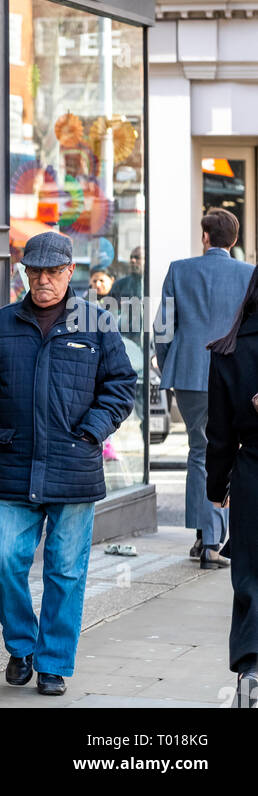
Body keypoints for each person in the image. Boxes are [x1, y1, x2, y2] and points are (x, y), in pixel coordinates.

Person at [0, 230, 136, 696]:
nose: (43, 281)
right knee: (6, 559)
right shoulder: (2, 324)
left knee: (65, 570)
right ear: (25, 273)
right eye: (35, 272)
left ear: (70, 272)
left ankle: (53, 662)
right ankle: (21, 645)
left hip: (74, 467)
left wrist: (93, 431)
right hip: (15, 463)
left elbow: (120, 386)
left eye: (53, 272)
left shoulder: (97, 321)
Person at [154, 208, 252, 567]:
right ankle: (213, 539)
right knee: (230, 449)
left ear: (205, 237)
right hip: (235, 374)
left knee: (200, 451)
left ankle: (205, 537)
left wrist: (170, 366)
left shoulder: (180, 270)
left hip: (191, 374)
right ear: (235, 241)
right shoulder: (249, 274)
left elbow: (162, 328)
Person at [206, 266, 258, 707]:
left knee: (251, 578)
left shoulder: (228, 351)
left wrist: (216, 486)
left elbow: (219, 436)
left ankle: (251, 670)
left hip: (251, 476)